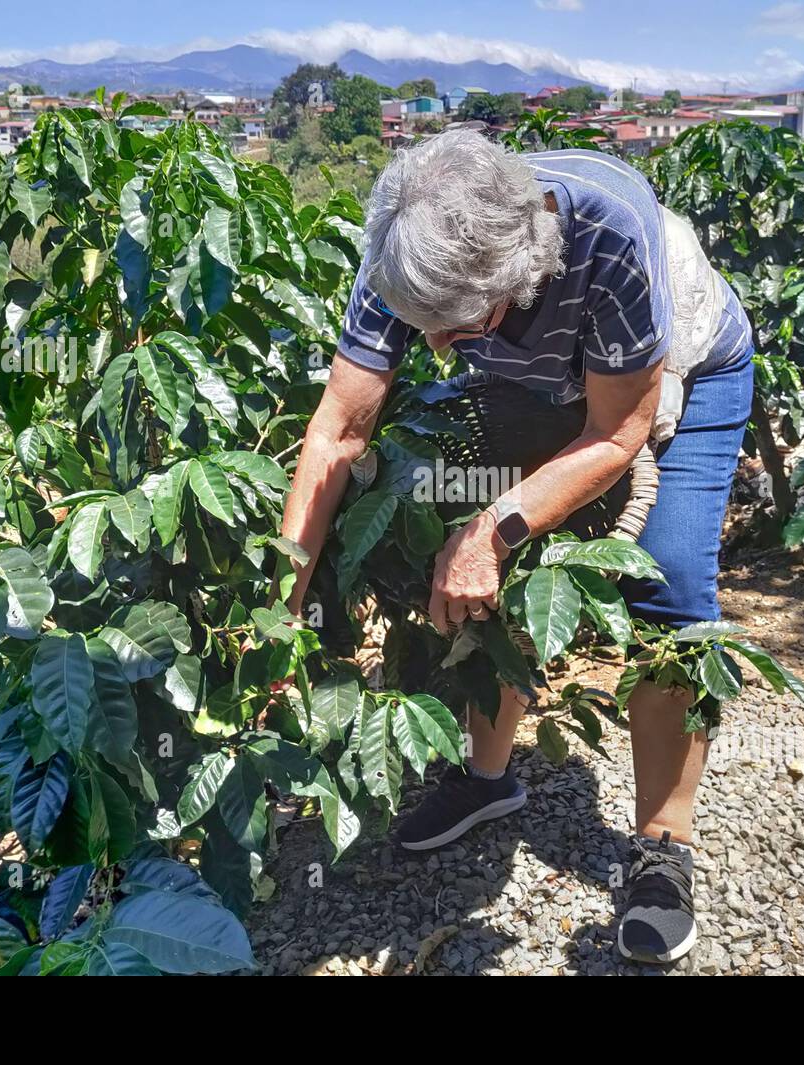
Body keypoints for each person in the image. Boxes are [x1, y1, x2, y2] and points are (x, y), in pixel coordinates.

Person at [278, 129, 754, 964]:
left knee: (671, 590)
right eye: (425, 325)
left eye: (456, 327)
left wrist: (492, 529)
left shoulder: (608, 235)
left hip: (681, 376)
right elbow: (337, 430)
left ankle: (662, 846)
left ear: (521, 275)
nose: (432, 350)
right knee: (482, 571)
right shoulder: (411, 243)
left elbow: (618, 431)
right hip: (535, 381)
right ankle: (488, 779)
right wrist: (279, 600)